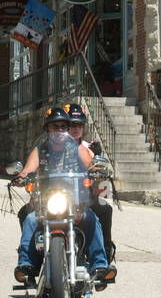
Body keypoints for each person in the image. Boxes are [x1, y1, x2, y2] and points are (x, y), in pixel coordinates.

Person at [13, 107, 112, 286]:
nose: (59, 130)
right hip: (46, 203)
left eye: (63, 127)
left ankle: (100, 266)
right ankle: (27, 265)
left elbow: (91, 166)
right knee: (29, 219)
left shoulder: (76, 148)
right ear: (47, 129)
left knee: (91, 218)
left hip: (74, 201)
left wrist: (98, 172)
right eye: (54, 126)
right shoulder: (40, 149)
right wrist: (21, 177)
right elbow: (28, 169)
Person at [64, 101, 117, 277]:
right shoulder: (54, 146)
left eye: (79, 125)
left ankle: (105, 259)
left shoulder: (88, 148)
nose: (76, 128)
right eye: (72, 124)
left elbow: (102, 183)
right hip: (58, 197)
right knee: (28, 213)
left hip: (83, 198)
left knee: (105, 208)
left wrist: (99, 156)